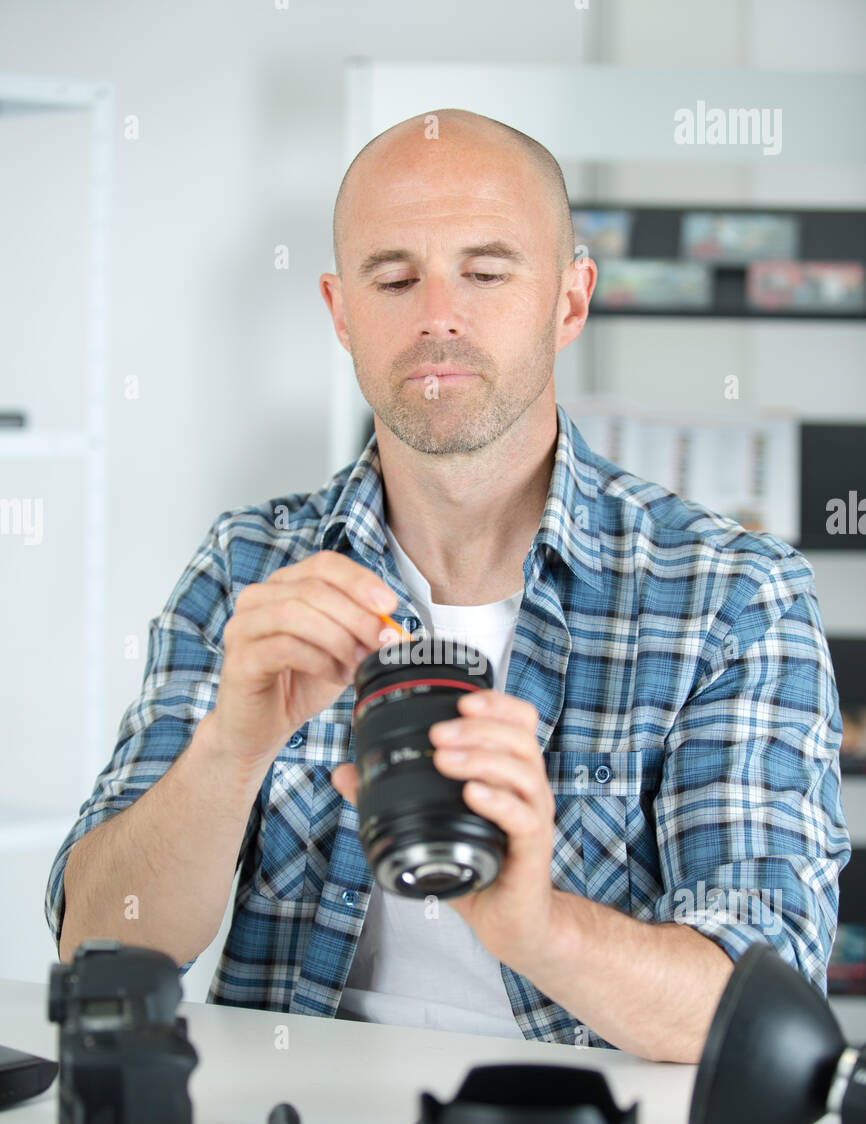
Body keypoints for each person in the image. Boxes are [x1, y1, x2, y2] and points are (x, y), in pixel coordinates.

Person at [46, 109, 850, 1063]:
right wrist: (230, 749)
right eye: (395, 277)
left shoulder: (732, 595)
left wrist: (536, 926)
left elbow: (763, 1013)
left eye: (486, 271)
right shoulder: (248, 566)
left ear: (569, 301)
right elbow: (98, 943)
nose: (438, 314)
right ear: (342, 313)